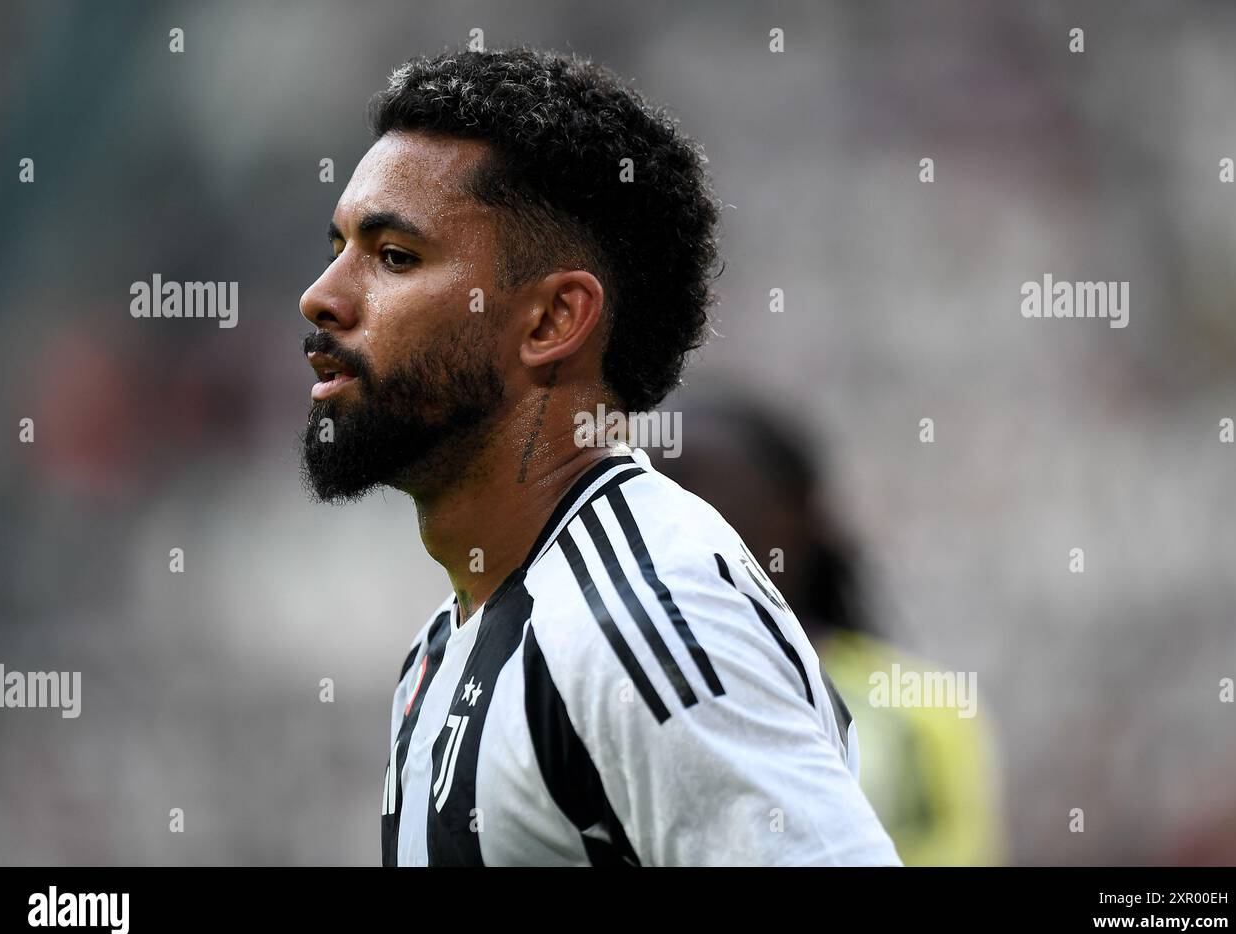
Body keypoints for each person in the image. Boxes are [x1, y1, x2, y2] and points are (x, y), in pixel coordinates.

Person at [298, 47, 898, 866]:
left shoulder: (642, 615)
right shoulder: (446, 647)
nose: (322, 296)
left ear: (552, 322)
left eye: (394, 256)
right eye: (336, 245)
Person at [652, 392, 1004, 866]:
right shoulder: (604, 687)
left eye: (706, 500)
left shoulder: (917, 709)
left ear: (793, 517)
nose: (671, 532)